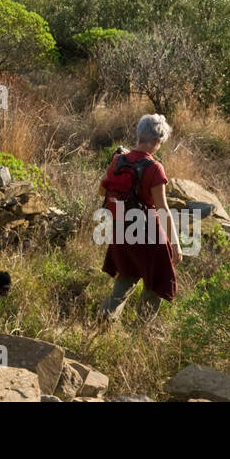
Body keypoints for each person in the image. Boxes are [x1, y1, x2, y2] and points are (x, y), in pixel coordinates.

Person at [97, 113, 181, 323]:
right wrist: (176, 245)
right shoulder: (154, 168)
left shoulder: (118, 160)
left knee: (127, 275)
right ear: (156, 141)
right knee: (158, 280)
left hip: (120, 231)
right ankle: (142, 328)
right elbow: (162, 209)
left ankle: (104, 319)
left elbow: (101, 191)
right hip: (147, 233)